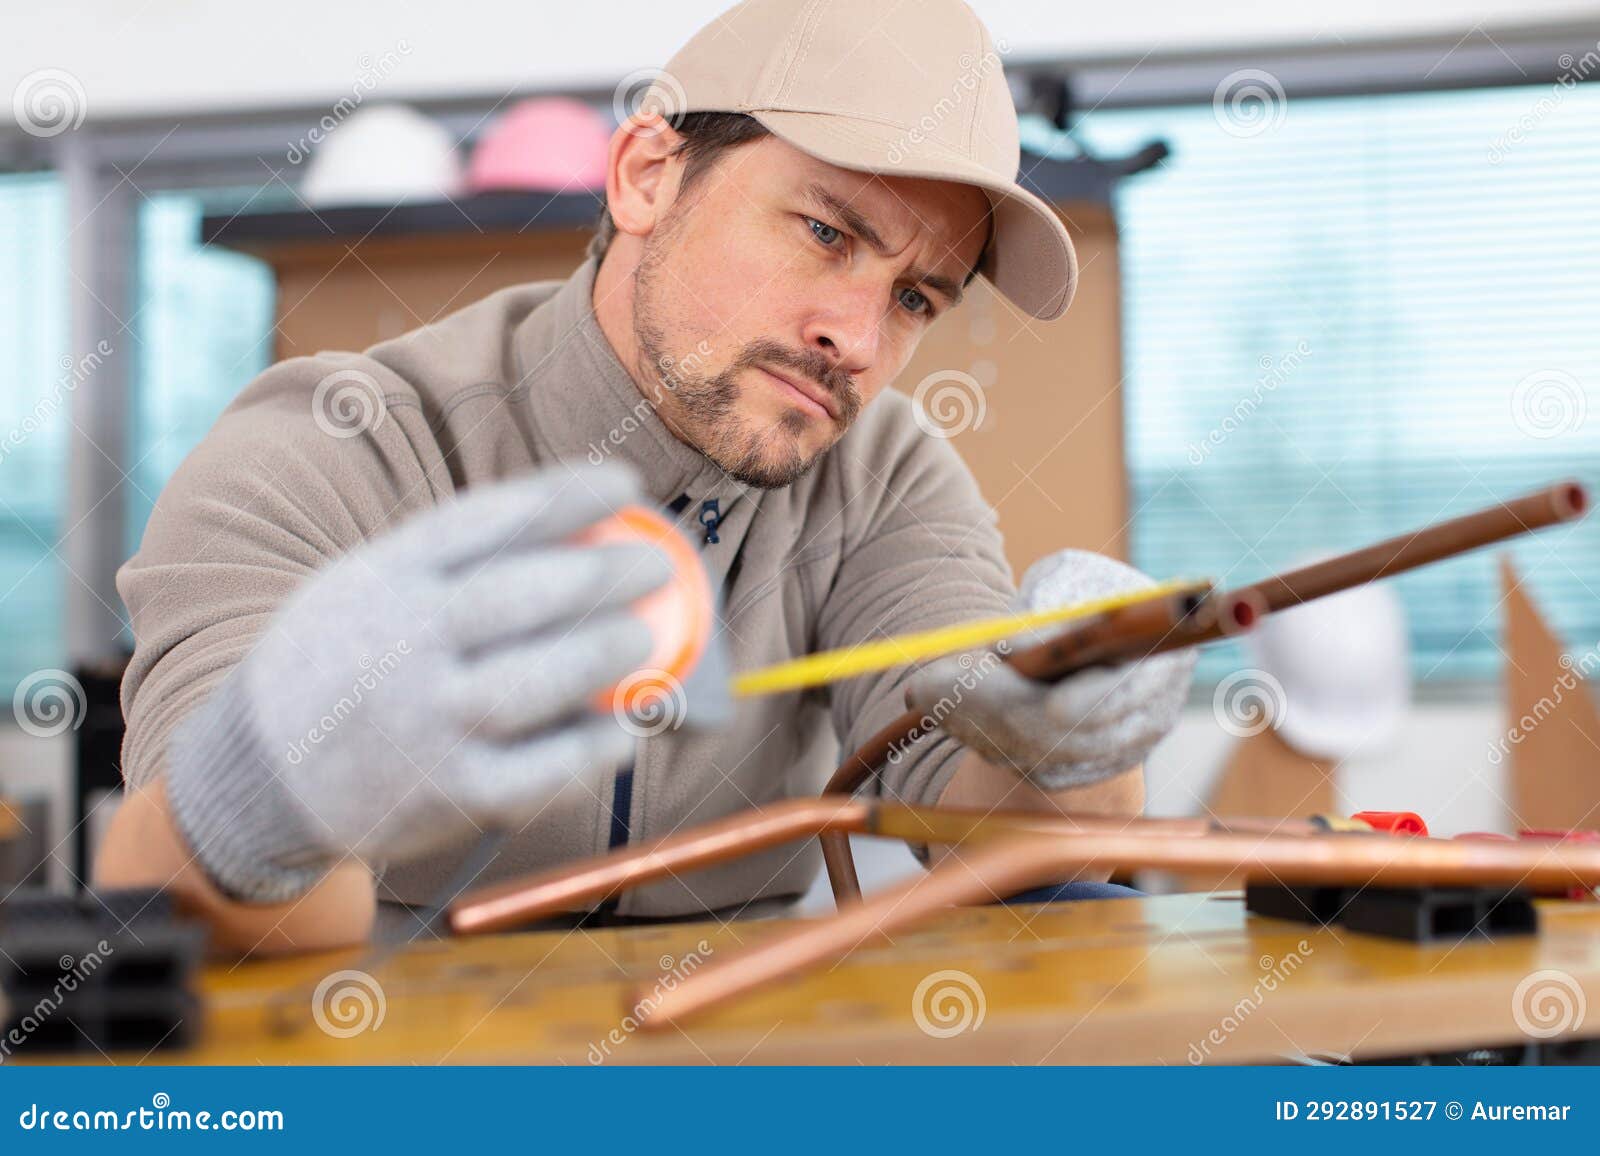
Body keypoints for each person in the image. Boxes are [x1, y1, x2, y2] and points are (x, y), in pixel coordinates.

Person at [96, 0, 1192, 953]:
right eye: (823, 231)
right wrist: (267, 797)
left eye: (916, 298)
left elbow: (985, 811)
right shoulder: (330, 446)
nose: (856, 336)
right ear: (647, 177)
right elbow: (157, 895)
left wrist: (1073, 736)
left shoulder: (884, 474)